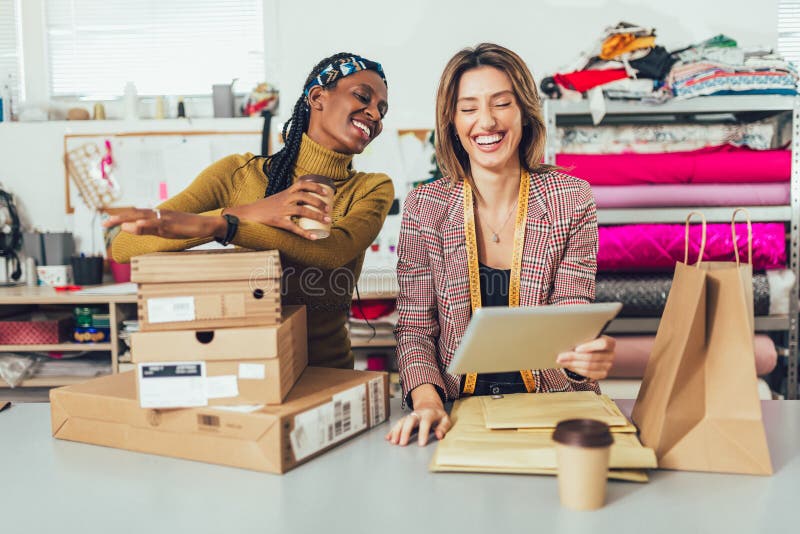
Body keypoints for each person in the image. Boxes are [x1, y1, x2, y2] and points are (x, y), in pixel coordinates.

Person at [386, 43, 615, 447]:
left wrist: (585, 358)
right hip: (456, 413)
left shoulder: (570, 198)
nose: (486, 121)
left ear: (524, 111)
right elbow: (416, 330)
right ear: (452, 121)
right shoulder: (425, 207)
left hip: (554, 410)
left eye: (501, 103)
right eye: (468, 108)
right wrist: (427, 402)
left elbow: (570, 317)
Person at [105, 53, 394, 370]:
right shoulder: (237, 174)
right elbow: (124, 246)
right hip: (247, 365)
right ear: (317, 97)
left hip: (326, 370)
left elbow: (332, 251)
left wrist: (222, 226)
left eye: (382, 109)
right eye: (363, 97)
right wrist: (247, 212)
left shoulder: (371, 188)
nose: (374, 114)